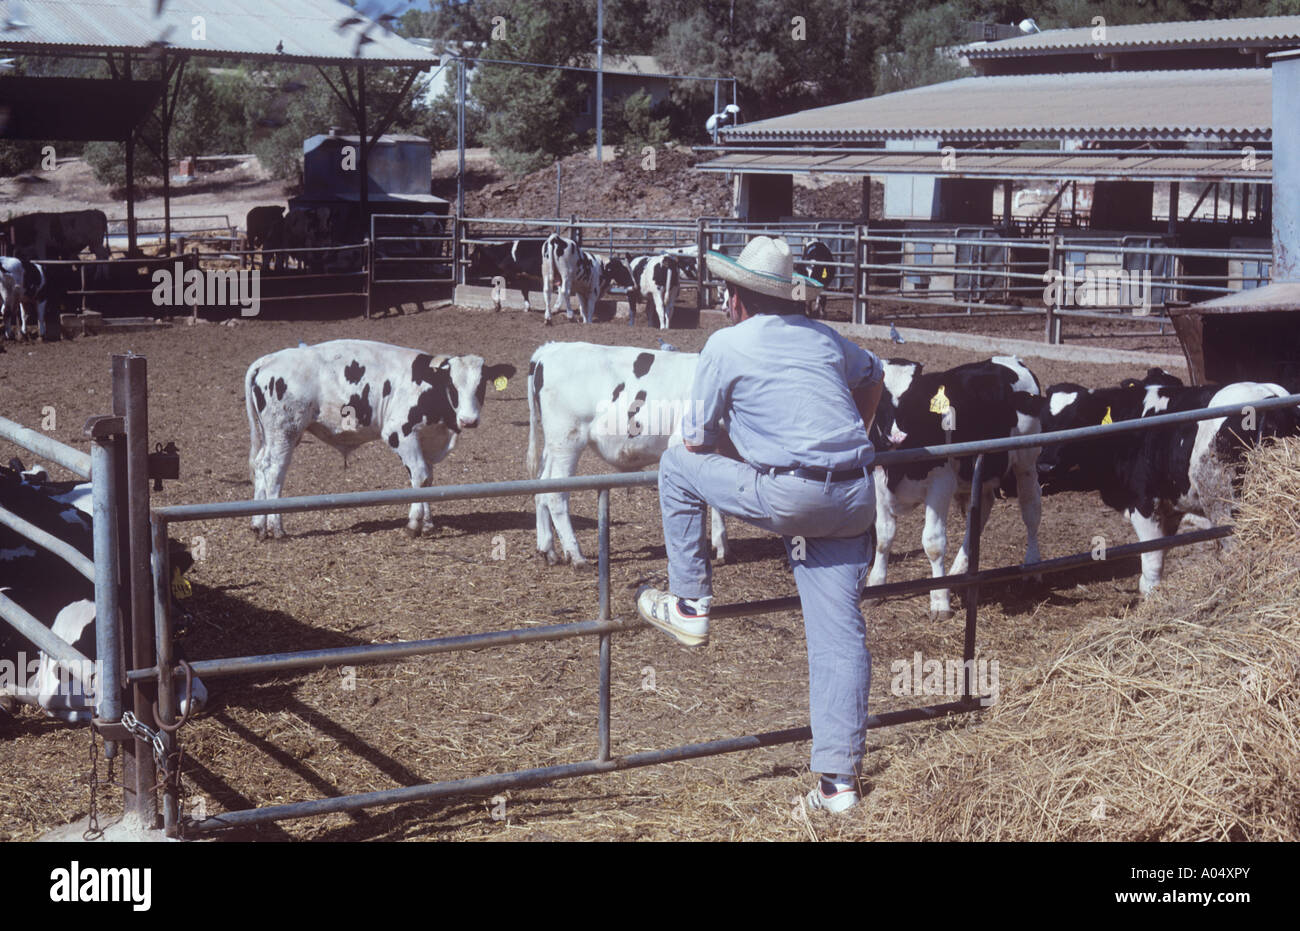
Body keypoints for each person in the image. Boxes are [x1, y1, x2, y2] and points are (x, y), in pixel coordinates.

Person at [636, 235, 885, 815]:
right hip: (853, 493)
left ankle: (691, 603)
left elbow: (696, 440)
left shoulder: (725, 344)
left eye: (728, 293)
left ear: (738, 296)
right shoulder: (825, 338)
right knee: (838, 638)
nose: (726, 304)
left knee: (675, 462)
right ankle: (838, 786)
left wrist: (747, 445)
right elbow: (873, 376)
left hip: (792, 494)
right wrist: (850, 438)